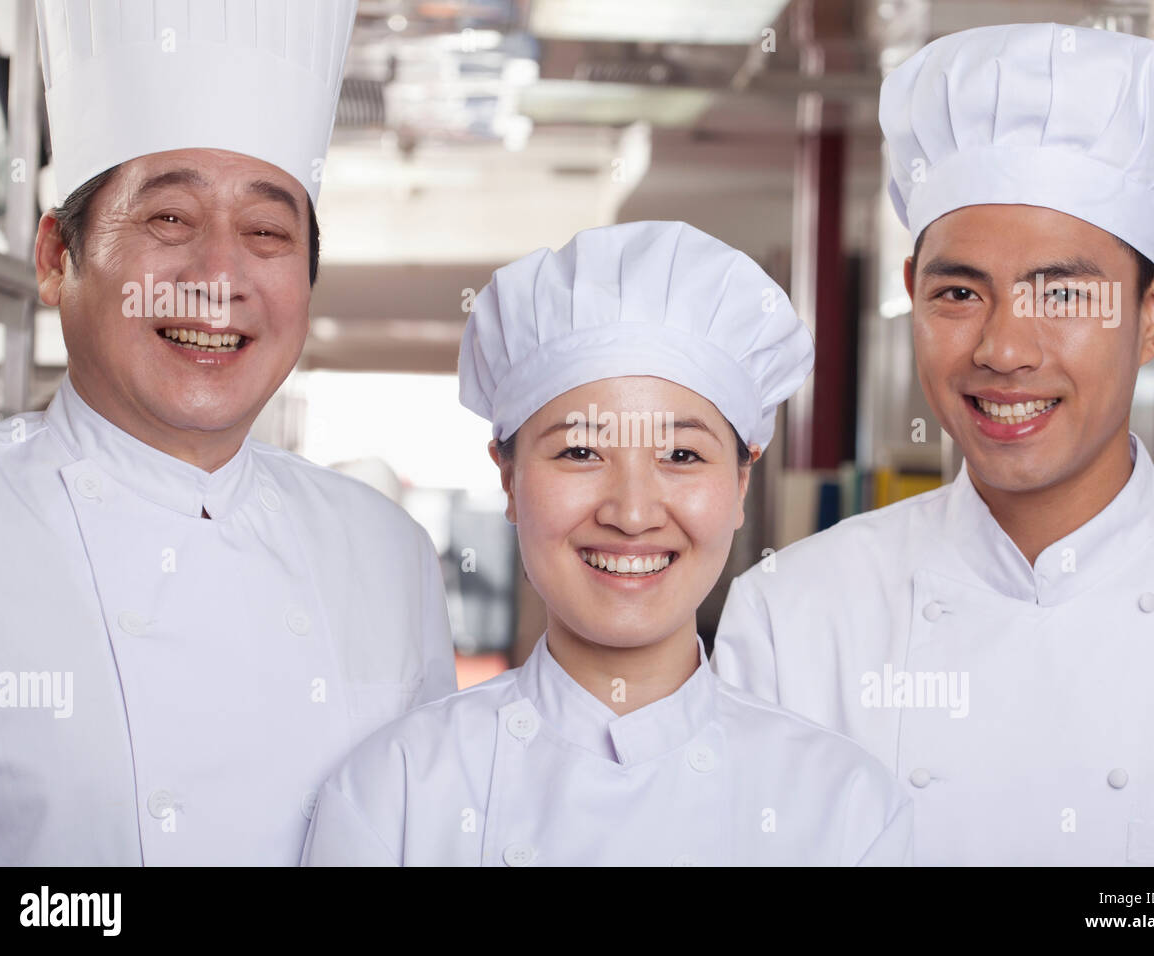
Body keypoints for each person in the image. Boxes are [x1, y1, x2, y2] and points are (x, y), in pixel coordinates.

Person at [711, 22, 1154, 866]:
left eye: (1064, 294)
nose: (1004, 349)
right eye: (962, 292)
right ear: (914, 297)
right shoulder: (794, 619)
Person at [0, 0, 455, 865]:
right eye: (169, 219)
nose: (218, 277)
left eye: (267, 231)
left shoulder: (388, 555)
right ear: (55, 258)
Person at [301, 220, 912, 866]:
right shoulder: (394, 793)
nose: (632, 511)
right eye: (581, 451)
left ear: (740, 483)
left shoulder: (848, 810)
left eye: (680, 453)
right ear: (508, 478)